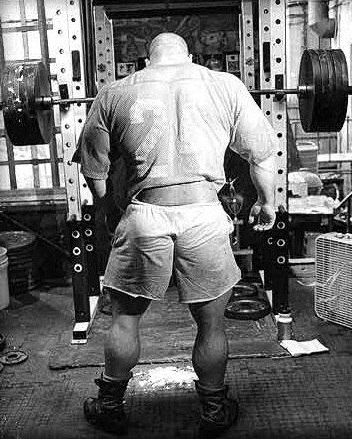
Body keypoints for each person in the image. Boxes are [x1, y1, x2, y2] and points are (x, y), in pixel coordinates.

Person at [73, 32, 278, 438]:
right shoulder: (225, 85)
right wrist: (267, 202)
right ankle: (214, 410)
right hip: (203, 215)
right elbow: (262, 153)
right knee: (211, 325)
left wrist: (110, 210)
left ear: (147, 58)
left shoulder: (114, 92)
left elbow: (95, 172)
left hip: (145, 215)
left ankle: (110, 406)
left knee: (125, 319)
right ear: (189, 55)